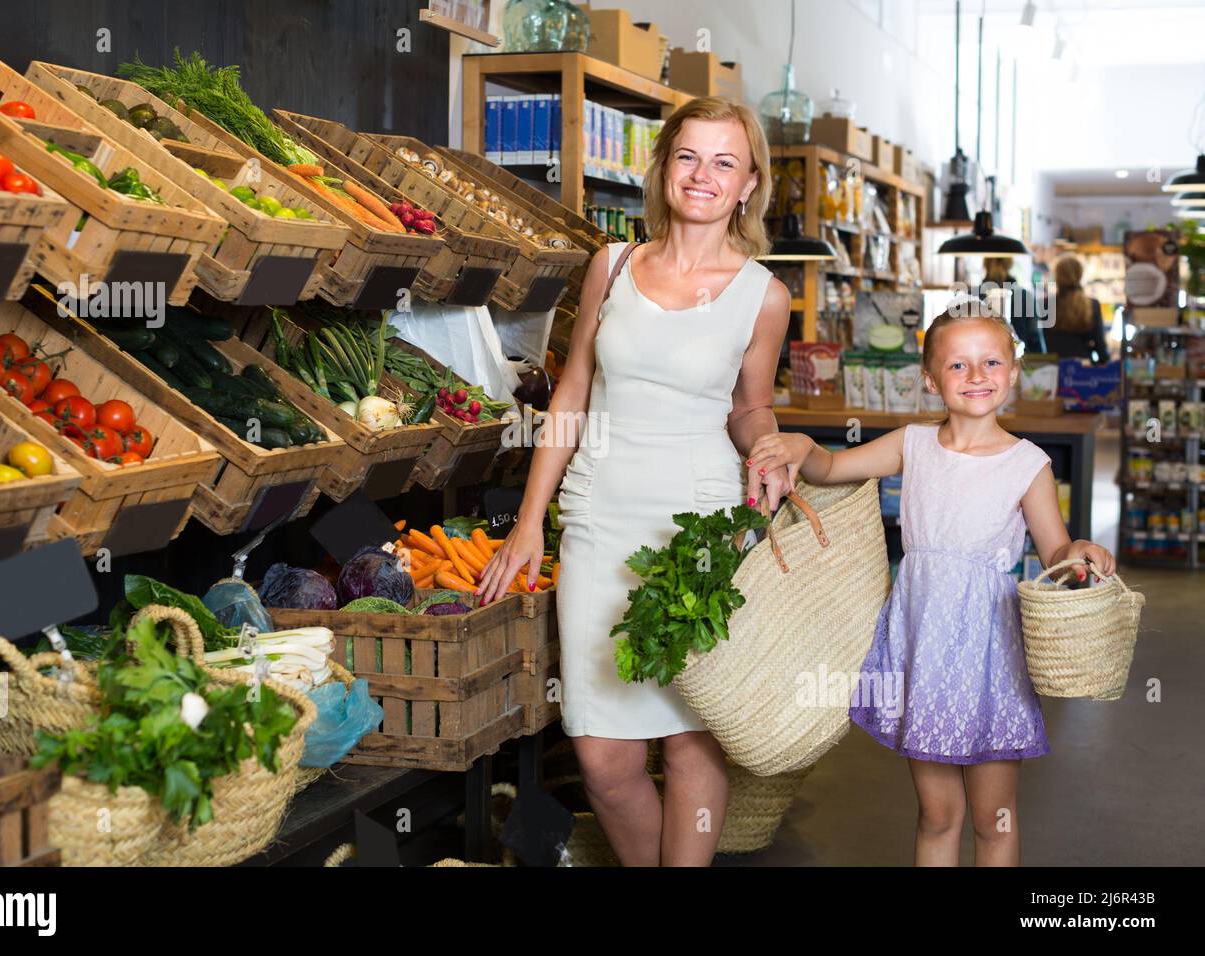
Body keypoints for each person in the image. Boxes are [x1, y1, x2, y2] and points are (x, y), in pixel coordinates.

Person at [474, 96, 792, 866]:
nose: (703, 175)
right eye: (688, 156)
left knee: (690, 741)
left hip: (700, 530)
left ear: (749, 183)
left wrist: (773, 442)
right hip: (598, 517)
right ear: (664, 168)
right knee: (604, 757)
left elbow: (749, 409)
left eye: (725, 161)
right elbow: (572, 393)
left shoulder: (763, 295)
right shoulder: (611, 265)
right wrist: (528, 522)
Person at [748, 308, 1115, 867]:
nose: (976, 374)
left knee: (996, 819)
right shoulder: (911, 445)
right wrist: (801, 448)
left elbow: (1055, 552)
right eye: (958, 364)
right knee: (937, 815)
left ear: (1013, 372)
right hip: (923, 653)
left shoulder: (1027, 464)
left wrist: (1079, 553)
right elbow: (831, 467)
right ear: (929, 378)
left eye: (991, 361)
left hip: (991, 658)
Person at [1045, 256, 1111, 364]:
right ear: (1080, 275)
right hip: (1083, 368)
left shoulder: (1046, 304)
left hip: (1053, 368)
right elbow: (1100, 346)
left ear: (1056, 276)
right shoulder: (1092, 305)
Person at [976, 256, 1046, 354]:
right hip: (1021, 363)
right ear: (1010, 265)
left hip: (982, 362)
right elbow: (1035, 337)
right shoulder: (1025, 296)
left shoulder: (973, 295)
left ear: (984, 265)